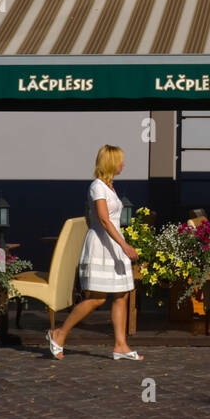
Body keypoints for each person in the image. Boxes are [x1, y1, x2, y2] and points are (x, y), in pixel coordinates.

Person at [46, 144, 143, 361]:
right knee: (97, 299)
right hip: (102, 247)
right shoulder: (97, 187)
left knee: (122, 295)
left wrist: (121, 245)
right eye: (120, 160)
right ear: (110, 162)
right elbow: (104, 219)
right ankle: (59, 333)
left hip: (114, 245)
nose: (123, 164)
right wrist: (124, 245)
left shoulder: (109, 187)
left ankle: (120, 345)